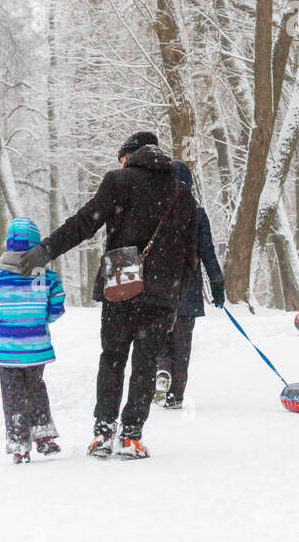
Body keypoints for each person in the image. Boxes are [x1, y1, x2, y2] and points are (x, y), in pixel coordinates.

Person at [15, 130, 196, 460]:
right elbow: (189, 253)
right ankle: (131, 436)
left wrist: (45, 250)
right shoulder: (180, 192)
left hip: (121, 285)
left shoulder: (119, 181)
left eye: (123, 159)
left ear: (132, 156)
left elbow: (84, 222)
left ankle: (102, 433)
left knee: (112, 359)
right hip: (160, 294)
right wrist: (175, 298)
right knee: (145, 365)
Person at [0, 217, 66, 464]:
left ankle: (19, 446)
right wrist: (41, 321)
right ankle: (44, 436)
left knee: (13, 396)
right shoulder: (44, 277)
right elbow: (56, 307)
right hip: (36, 349)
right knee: (35, 388)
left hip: (6, 352)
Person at [154, 160, 225, 409]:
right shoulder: (197, 213)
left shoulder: (155, 211)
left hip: (159, 287)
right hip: (188, 288)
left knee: (160, 336)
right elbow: (208, 253)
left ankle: (162, 368)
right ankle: (175, 396)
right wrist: (217, 284)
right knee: (182, 345)